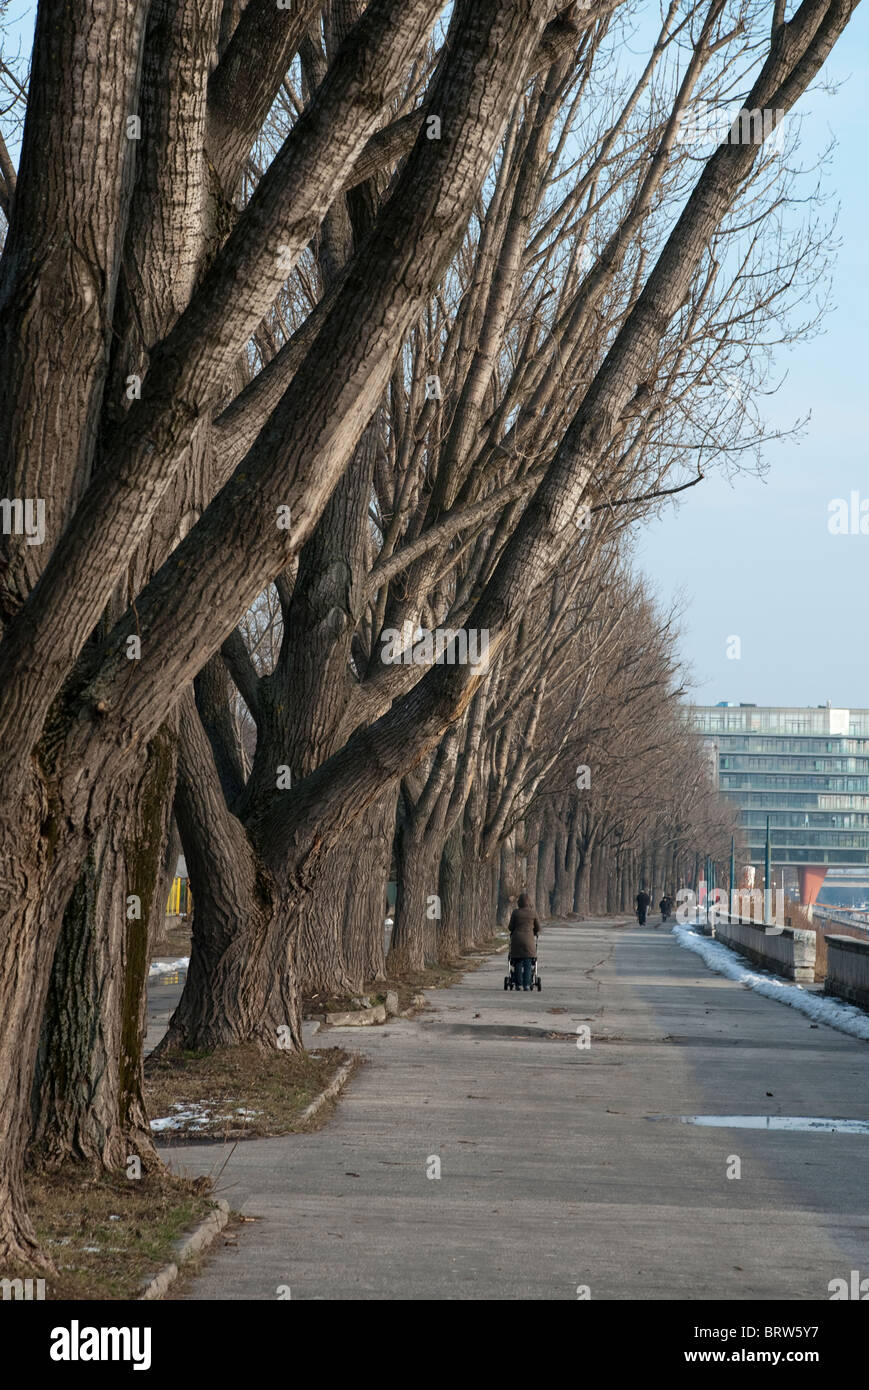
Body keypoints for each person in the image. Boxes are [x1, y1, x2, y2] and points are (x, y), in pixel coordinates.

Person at [508, 892, 540, 990]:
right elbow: (538, 927)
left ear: (519, 903)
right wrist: (533, 931)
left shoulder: (515, 912)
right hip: (529, 941)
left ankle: (518, 984)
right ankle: (527, 984)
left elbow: (510, 927)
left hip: (516, 940)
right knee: (528, 962)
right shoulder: (533, 913)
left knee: (517, 961)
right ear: (529, 902)